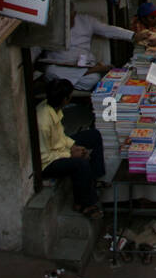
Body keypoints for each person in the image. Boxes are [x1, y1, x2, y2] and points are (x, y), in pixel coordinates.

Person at [38, 78, 106, 217]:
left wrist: (73, 146)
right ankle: (85, 204)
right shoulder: (43, 123)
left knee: (94, 135)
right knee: (80, 164)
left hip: (59, 149)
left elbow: (60, 136)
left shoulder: (53, 108)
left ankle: (94, 179)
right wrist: (70, 154)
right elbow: (44, 156)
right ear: (65, 99)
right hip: (48, 162)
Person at [40, 4, 133, 91]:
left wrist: (132, 35)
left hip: (82, 66)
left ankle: (66, 84)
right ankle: (87, 73)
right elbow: (37, 45)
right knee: (49, 72)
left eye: (69, 17)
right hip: (58, 66)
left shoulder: (86, 21)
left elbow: (108, 30)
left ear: (74, 14)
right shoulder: (51, 25)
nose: (66, 22)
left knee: (93, 79)